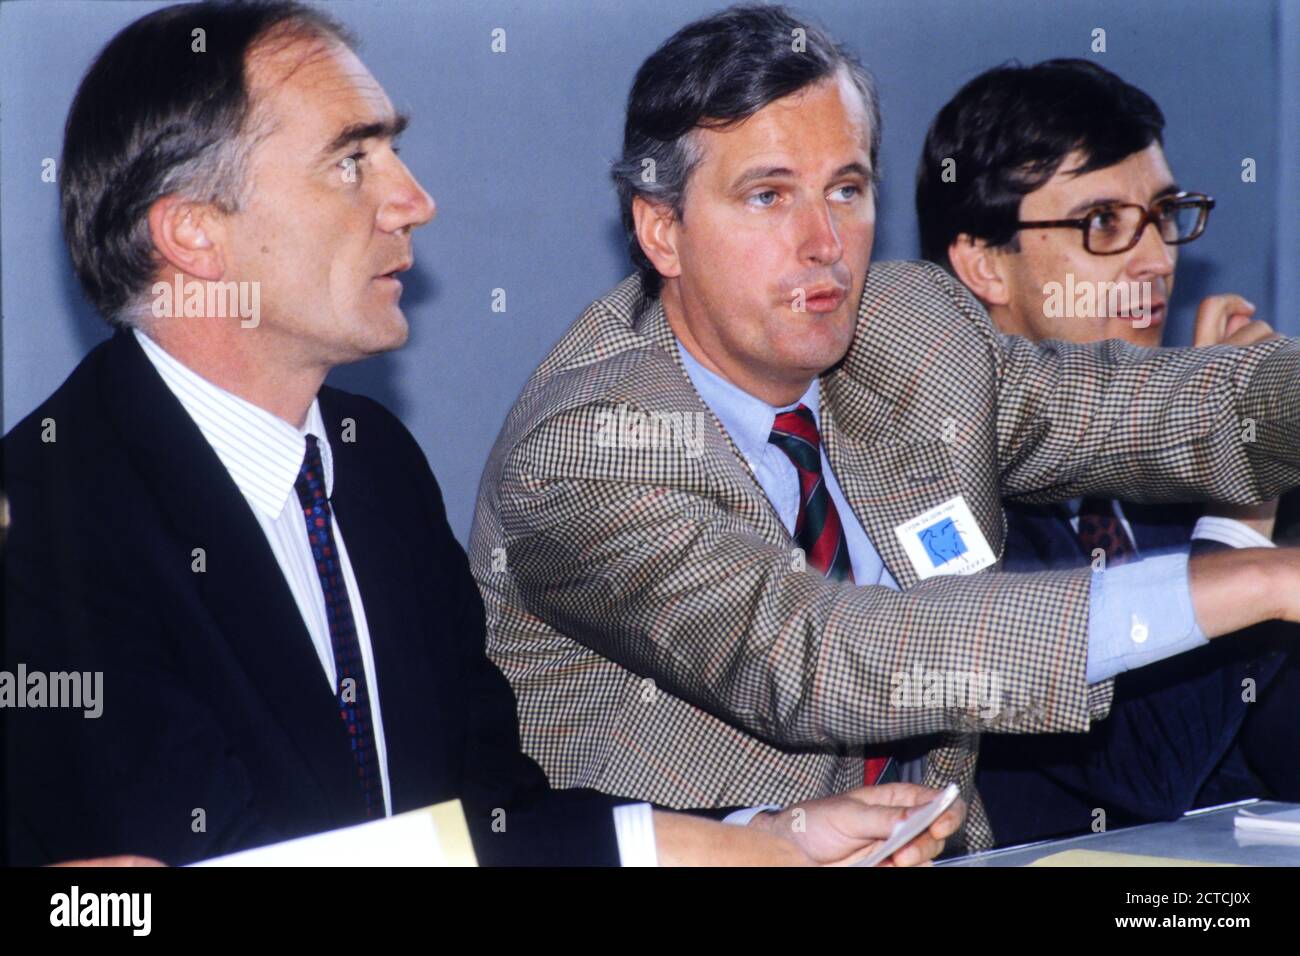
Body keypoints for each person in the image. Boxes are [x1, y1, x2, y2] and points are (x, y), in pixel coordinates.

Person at [2, 0, 964, 868]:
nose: (413, 200)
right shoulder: (47, 524)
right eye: (352, 160)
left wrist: (763, 839)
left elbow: (485, 818)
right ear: (192, 234)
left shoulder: (371, 459)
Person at [467, 3, 1300, 855]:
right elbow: (818, 654)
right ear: (662, 231)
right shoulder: (588, 445)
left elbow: (1150, 407)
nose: (824, 242)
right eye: (768, 196)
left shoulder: (910, 330)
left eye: (847, 189)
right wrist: (1256, 580)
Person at [915, 58, 1300, 844]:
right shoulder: (932, 485)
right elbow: (1148, 767)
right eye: (1103, 224)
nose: (1157, 259)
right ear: (983, 262)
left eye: (1164, 214)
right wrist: (1240, 496)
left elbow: (1270, 744)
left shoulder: (1164, 446)